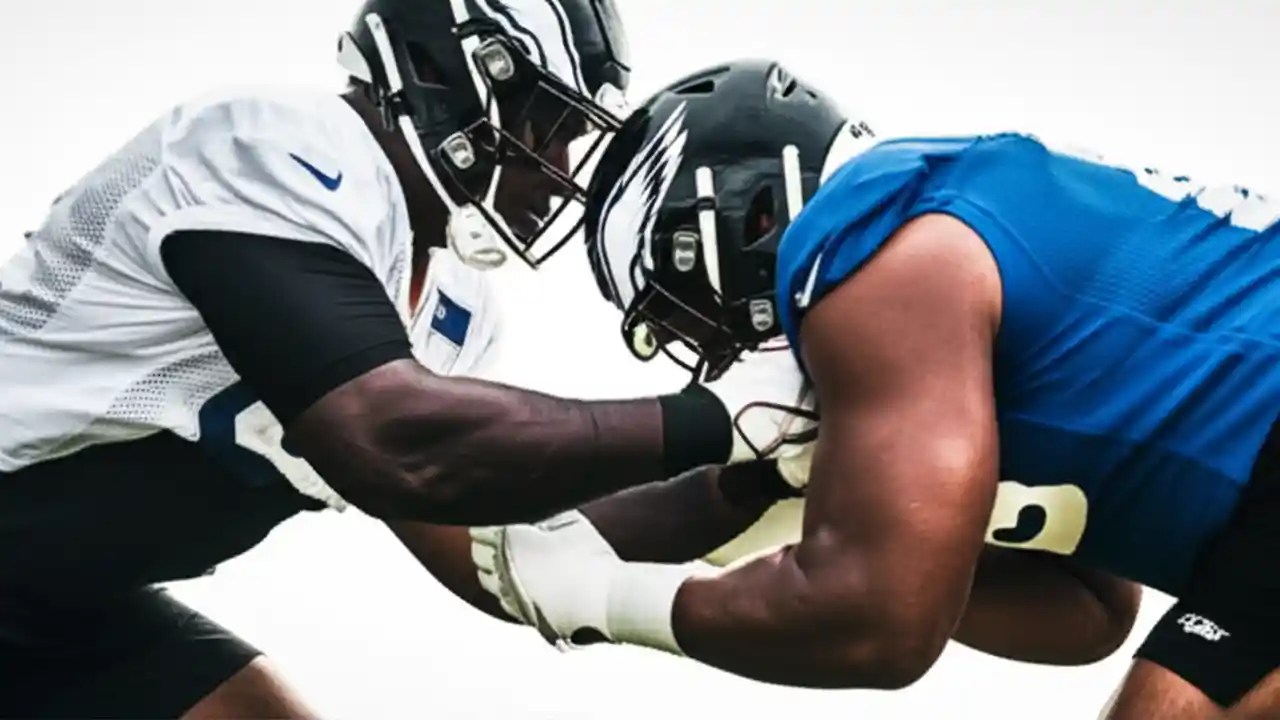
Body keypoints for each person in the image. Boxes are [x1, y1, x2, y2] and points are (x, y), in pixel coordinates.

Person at [0, 4, 804, 716]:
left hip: (59, 606)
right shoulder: (274, 141)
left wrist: (761, 462)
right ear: (434, 69)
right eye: (543, 121)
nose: (561, 168)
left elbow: (523, 553)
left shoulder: (451, 311)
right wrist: (717, 416)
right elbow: (387, 438)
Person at [469, 58, 1280, 719]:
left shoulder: (873, 253)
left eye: (693, 316)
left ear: (746, 222)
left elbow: (884, 628)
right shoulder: (957, 245)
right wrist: (899, 532)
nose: (714, 353)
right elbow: (1090, 612)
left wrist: (611, 598)